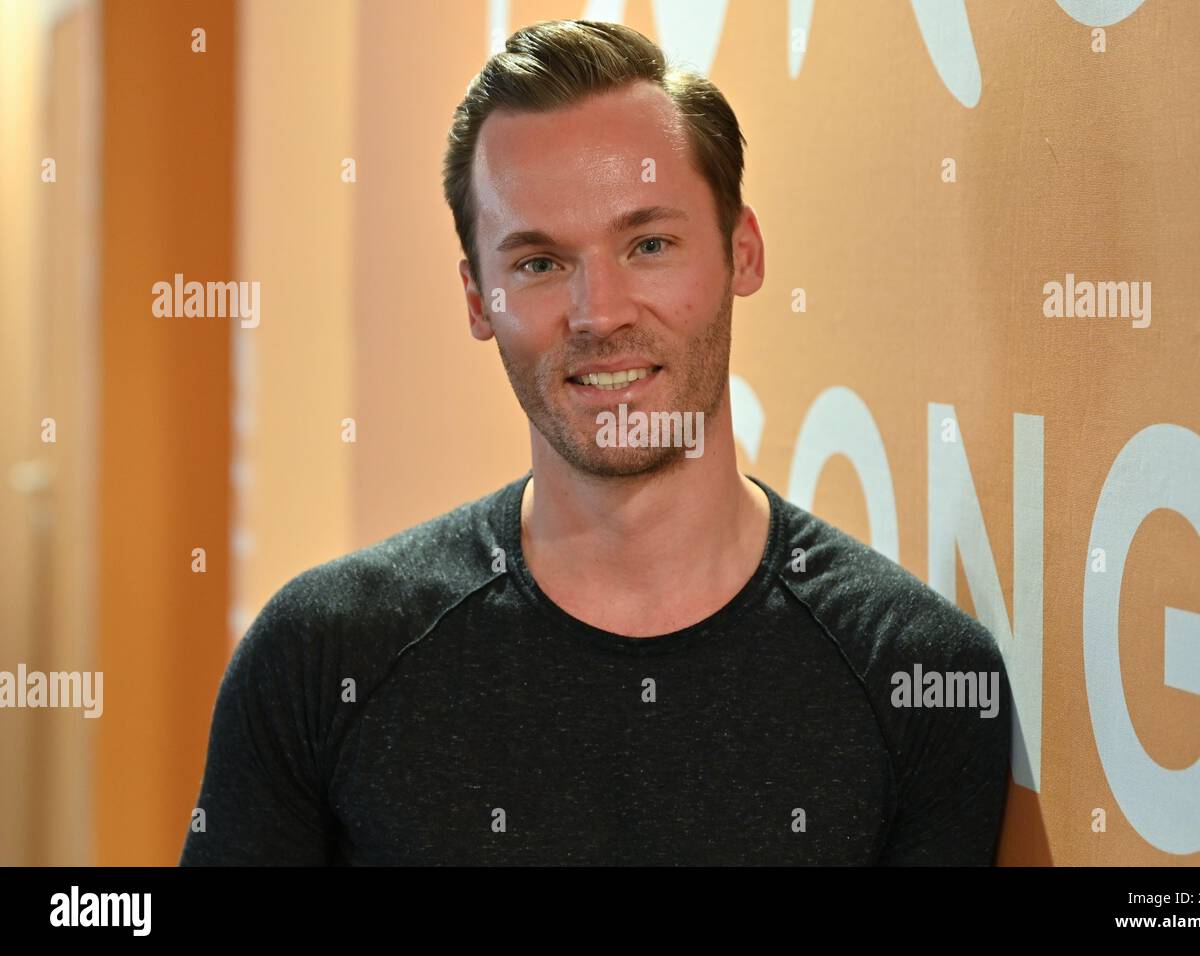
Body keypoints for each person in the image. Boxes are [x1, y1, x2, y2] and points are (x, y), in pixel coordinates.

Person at [180, 18, 1012, 866]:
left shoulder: (917, 675)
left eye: (649, 244)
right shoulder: (321, 656)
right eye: (539, 263)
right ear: (479, 300)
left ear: (742, 252)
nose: (600, 312)